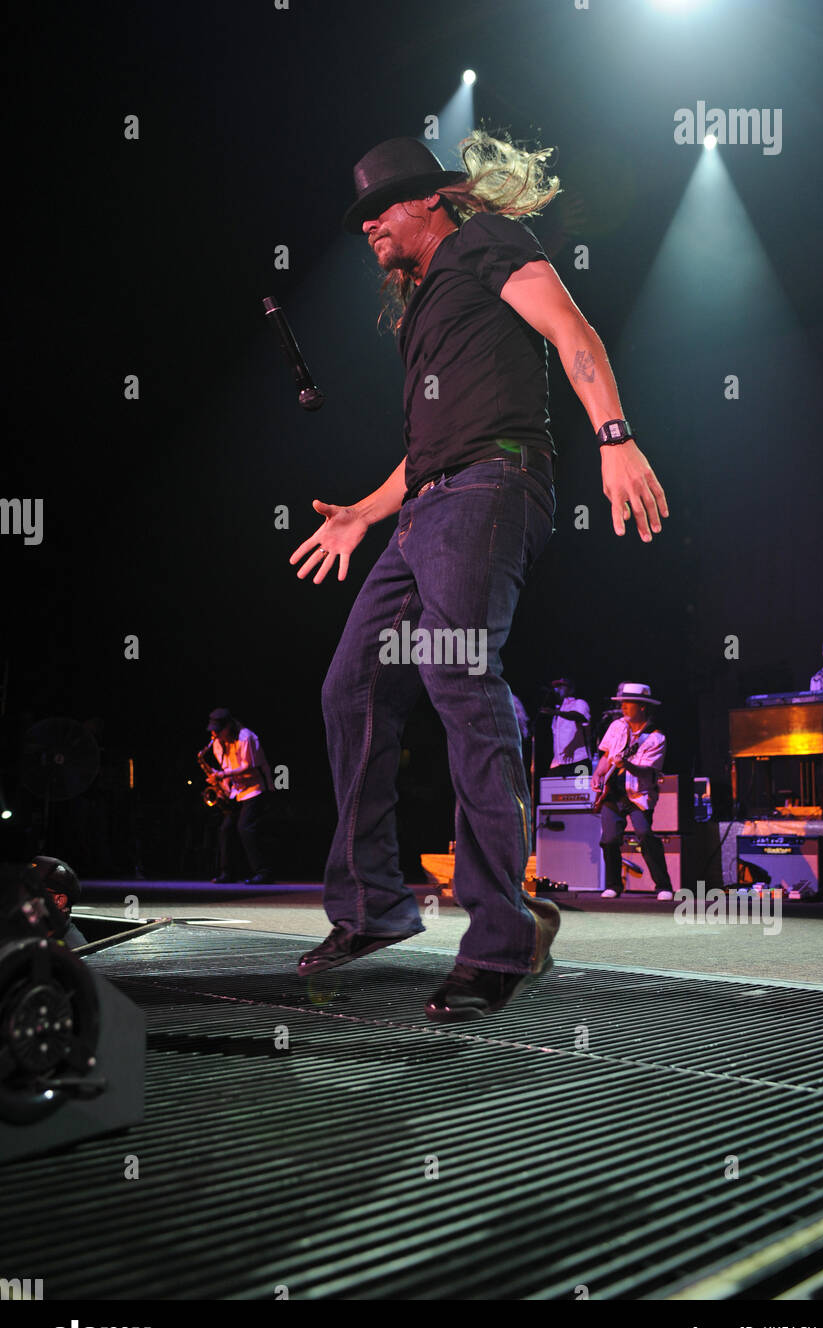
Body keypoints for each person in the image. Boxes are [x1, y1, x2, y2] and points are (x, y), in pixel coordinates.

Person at [289, 133, 668, 1021]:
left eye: (378, 209)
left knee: (458, 674)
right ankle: (374, 906)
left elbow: (572, 331)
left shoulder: (488, 242)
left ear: (426, 200)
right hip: (428, 502)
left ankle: (504, 933)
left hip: (492, 486)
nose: (369, 228)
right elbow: (424, 454)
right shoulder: (426, 303)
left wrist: (614, 439)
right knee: (351, 688)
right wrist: (362, 512)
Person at [592, 682, 673, 901]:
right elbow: (606, 757)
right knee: (609, 839)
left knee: (645, 834)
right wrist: (598, 774)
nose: (624, 707)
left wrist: (626, 765)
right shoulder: (617, 726)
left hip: (638, 794)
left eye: (629, 703)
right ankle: (613, 885)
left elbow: (648, 772)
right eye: (622, 703)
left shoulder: (656, 737)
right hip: (613, 793)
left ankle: (663, 886)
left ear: (643, 707)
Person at [206, 708, 275, 884]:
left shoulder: (246, 737)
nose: (215, 733)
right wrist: (221, 781)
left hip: (257, 788)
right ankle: (227, 873)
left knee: (245, 828)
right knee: (226, 829)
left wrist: (223, 775)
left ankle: (263, 872)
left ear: (229, 726)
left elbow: (248, 766)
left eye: (218, 729)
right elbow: (227, 768)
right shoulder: (217, 743)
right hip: (237, 792)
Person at [538, 676, 591, 775]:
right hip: (558, 762)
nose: (557, 689)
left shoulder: (579, 703)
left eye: (562, 686)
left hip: (577, 759)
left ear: (571, 689)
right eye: (556, 687)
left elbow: (579, 716)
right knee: (553, 789)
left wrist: (557, 713)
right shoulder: (559, 709)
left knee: (579, 790)